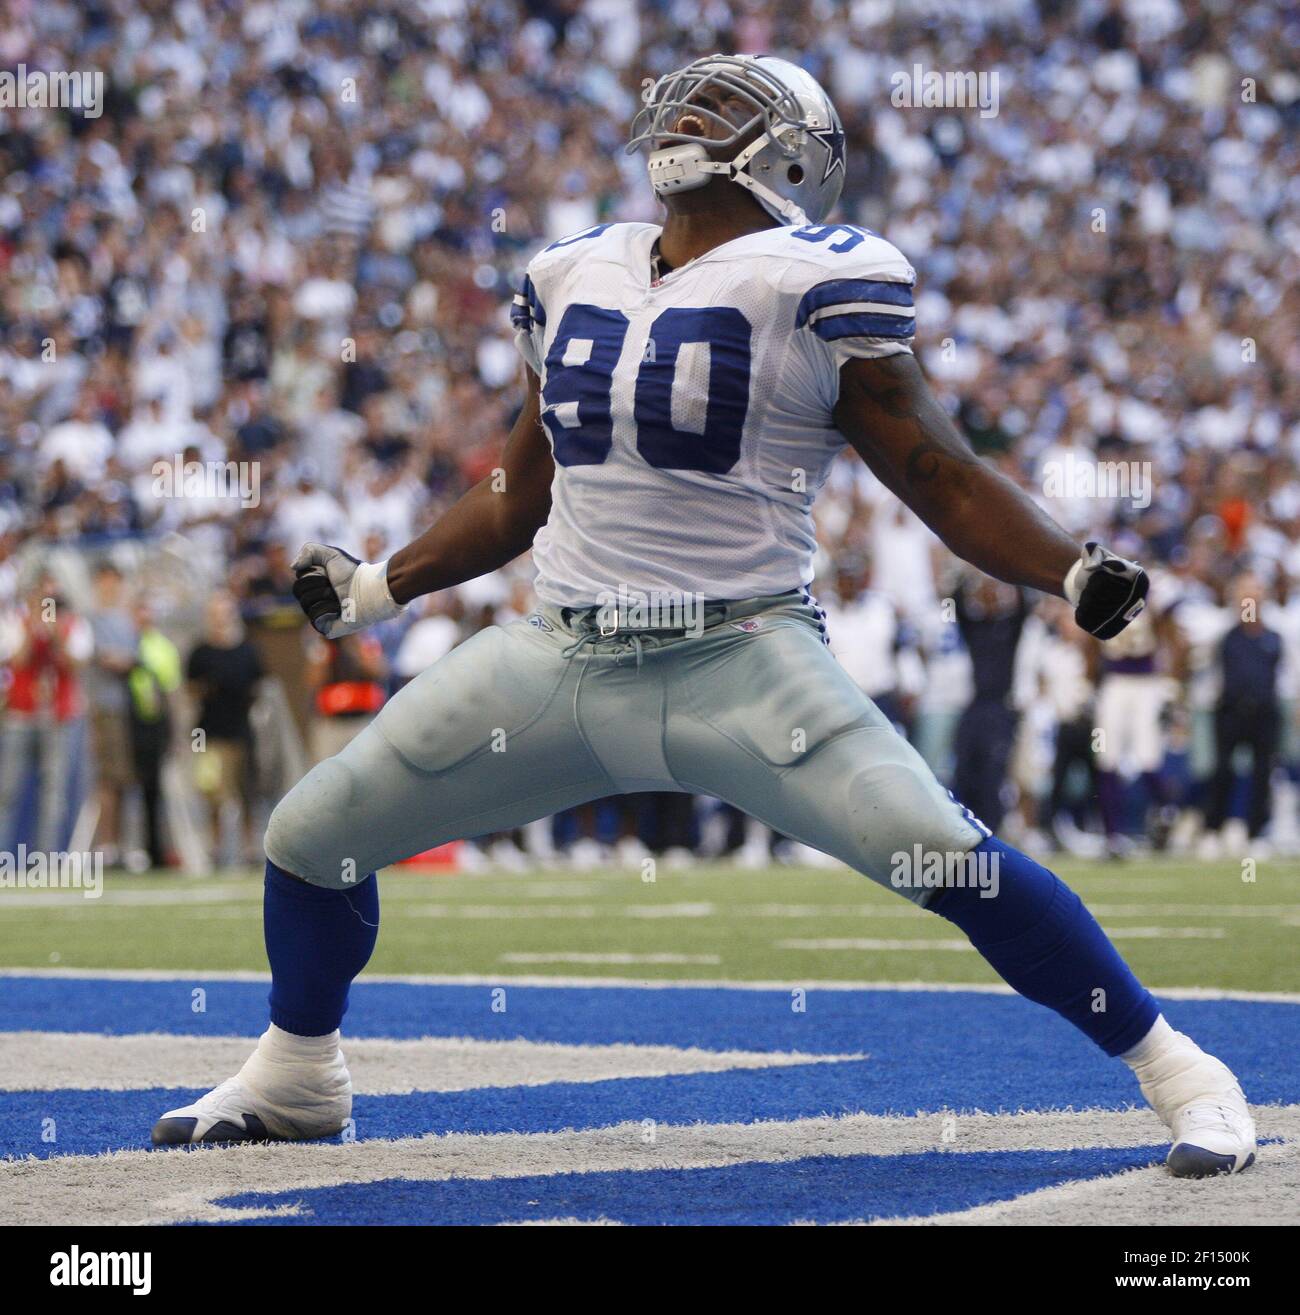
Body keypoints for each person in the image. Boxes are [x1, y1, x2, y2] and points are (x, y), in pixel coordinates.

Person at [153, 55, 1253, 1178]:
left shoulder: (818, 276)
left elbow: (939, 470)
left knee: (945, 855)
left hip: (744, 655)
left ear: (790, 159)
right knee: (309, 835)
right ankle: (298, 1075)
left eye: (725, 108)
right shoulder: (574, 269)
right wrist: (381, 584)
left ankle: (1180, 1071)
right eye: (687, 98)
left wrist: (1067, 571)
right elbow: (517, 495)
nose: (687, 115)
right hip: (564, 656)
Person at [0, 579, 92, 852]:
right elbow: (17, 660)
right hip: (22, 713)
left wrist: (55, 637)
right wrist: (32, 630)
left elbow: (75, 664)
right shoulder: (16, 621)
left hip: (59, 716)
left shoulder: (73, 625)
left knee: (53, 793)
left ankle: (47, 859)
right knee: (8, 790)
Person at [1202, 572, 1283, 853]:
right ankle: (1213, 830)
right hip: (1230, 710)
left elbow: (1286, 675)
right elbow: (1209, 674)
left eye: (1256, 589)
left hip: (1264, 711)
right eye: (1245, 590)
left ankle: (1257, 833)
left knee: (1262, 773)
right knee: (1222, 770)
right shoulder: (1223, 634)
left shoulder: (1275, 635)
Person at [186, 593, 264, 867]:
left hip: (240, 729)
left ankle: (248, 847)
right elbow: (190, 689)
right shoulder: (200, 651)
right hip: (210, 733)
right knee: (213, 794)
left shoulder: (247, 650)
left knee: (245, 791)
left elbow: (257, 686)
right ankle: (216, 848)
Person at [86, 563, 138, 866]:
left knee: (125, 777)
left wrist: (120, 659)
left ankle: (122, 843)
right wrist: (119, 659)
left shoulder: (124, 619)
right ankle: (107, 843)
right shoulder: (91, 619)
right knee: (107, 777)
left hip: (127, 706)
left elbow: (130, 658)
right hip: (104, 706)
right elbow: (104, 657)